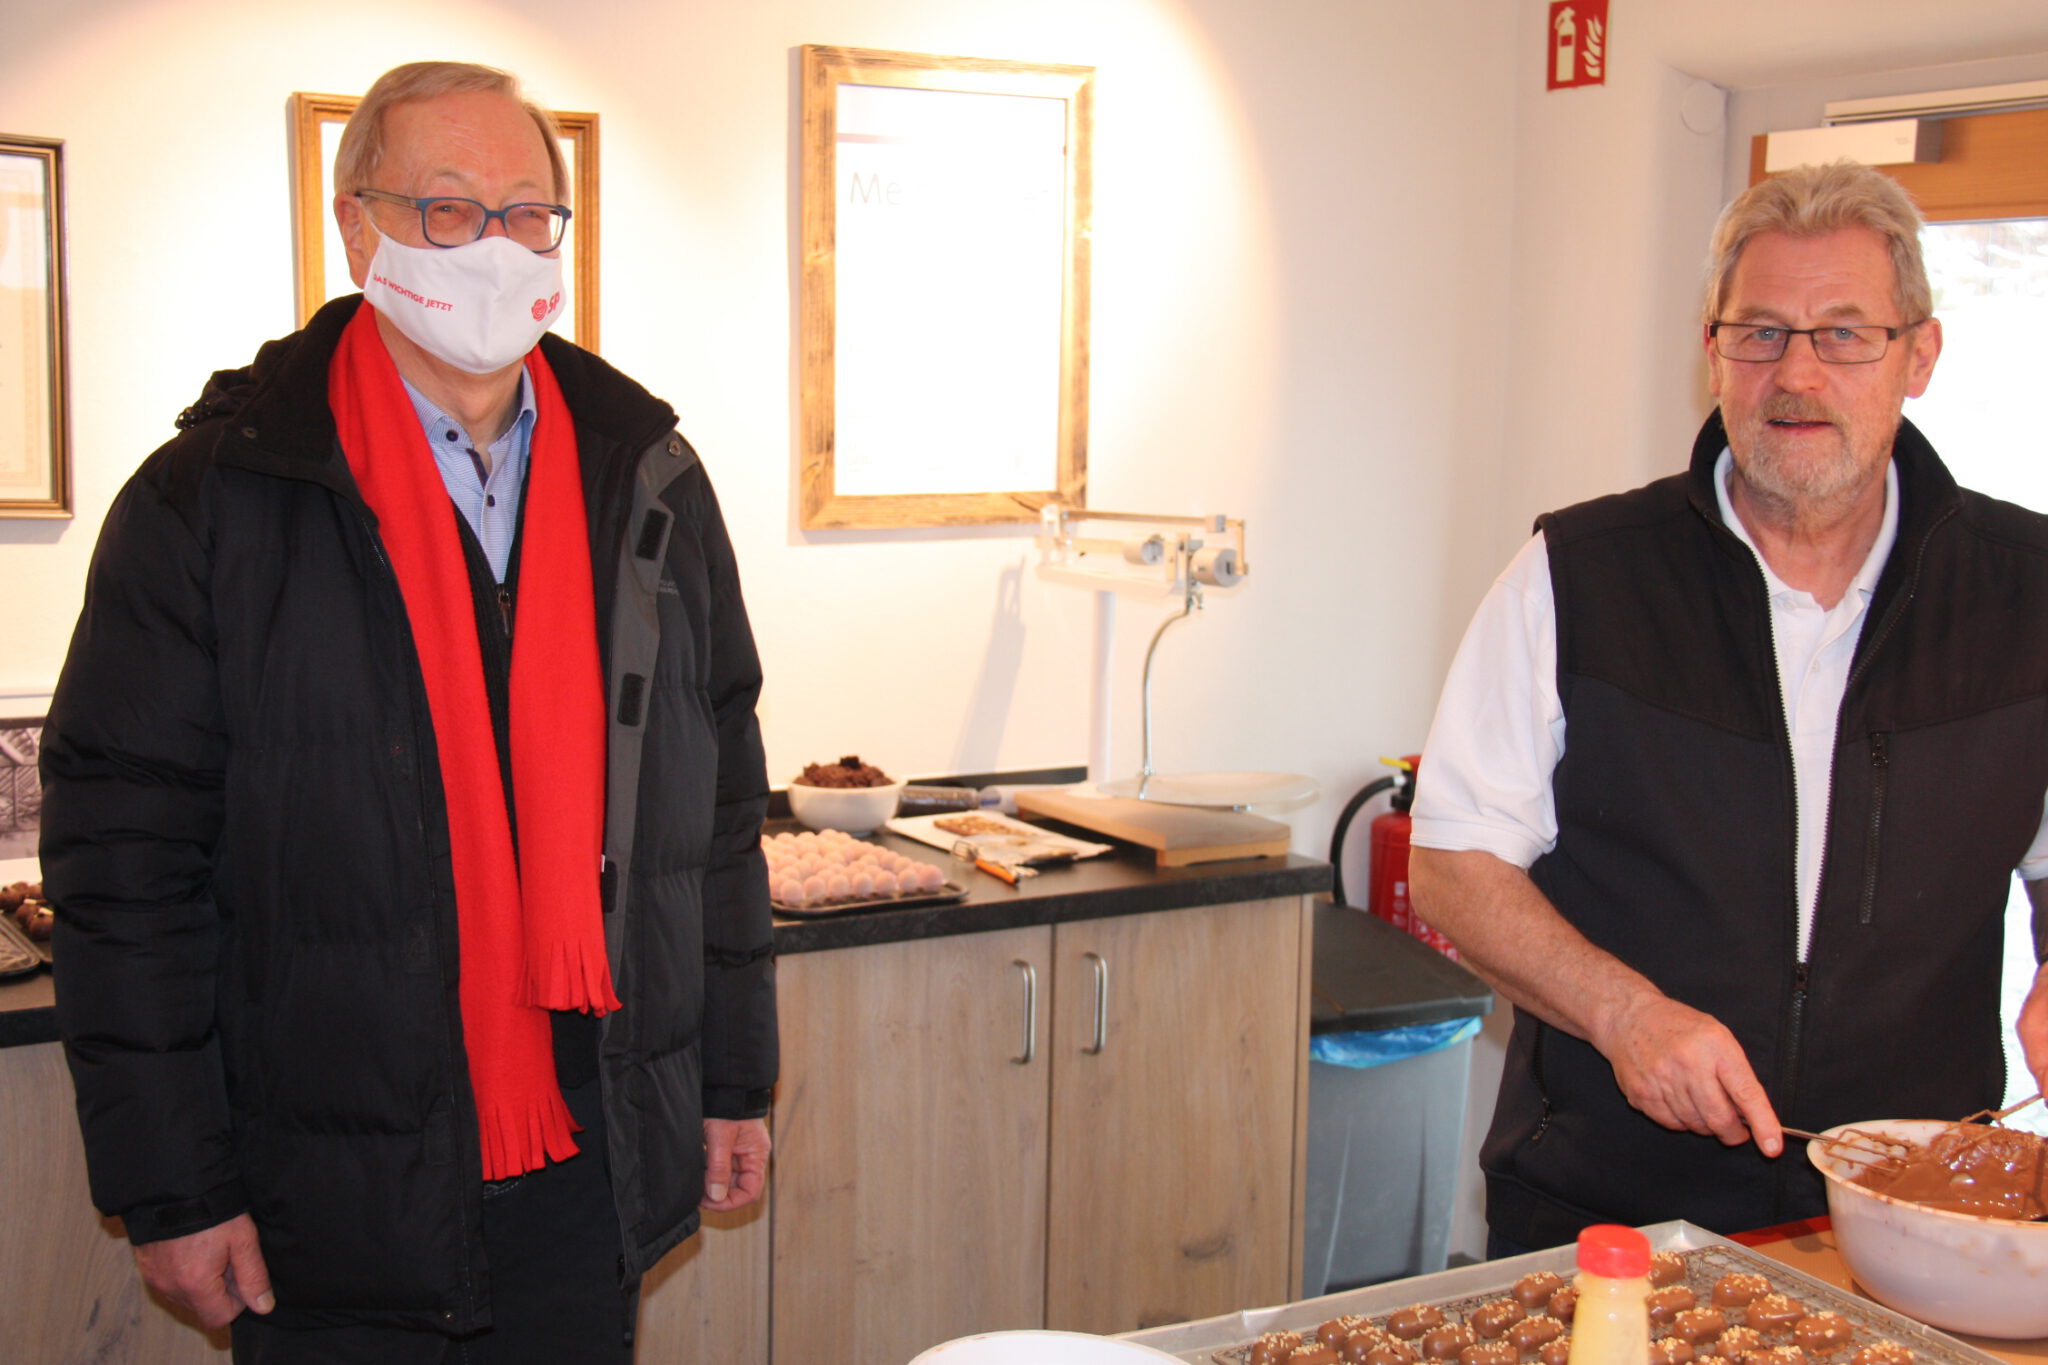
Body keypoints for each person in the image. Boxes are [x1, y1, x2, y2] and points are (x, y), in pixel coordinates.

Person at [41, 60, 777, 1361]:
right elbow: (125, 872)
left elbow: (715, 821)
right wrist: (174, 1187)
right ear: (358, 225)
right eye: (447, 210)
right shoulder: (213, 499)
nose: (493, 249)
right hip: (325, 1192)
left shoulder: (650, 482)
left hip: (591, 1152)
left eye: (524, 213)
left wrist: (729, 1083)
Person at [1408, 161, 2048, 1255]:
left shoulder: (2025, 590)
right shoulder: (1578, 573)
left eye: (1843, 333)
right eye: (1758, 334)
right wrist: (1625, 1017)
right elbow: (1455, 864)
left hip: (1905, 1216)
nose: (1794, 372)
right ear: (1711, 353)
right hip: (1604, 1211)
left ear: (1918, 357)